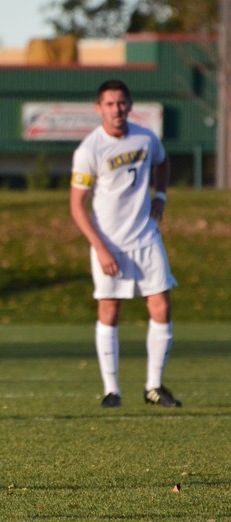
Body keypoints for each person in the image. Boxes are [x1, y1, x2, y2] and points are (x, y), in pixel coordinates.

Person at [69, 79, 180, 409]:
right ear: (98, 108)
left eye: (122, 103)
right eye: (110, 103)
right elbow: (77, 205)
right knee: (110, 309)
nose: (117, 109)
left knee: (161, 305)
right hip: (109, 242)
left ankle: (154, 387)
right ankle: (111, 390)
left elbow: (162, 161)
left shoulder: (146, 138)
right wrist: (99, 248)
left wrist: (160, 195)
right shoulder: (90, 149)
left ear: (130, 105)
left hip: (145, 236)